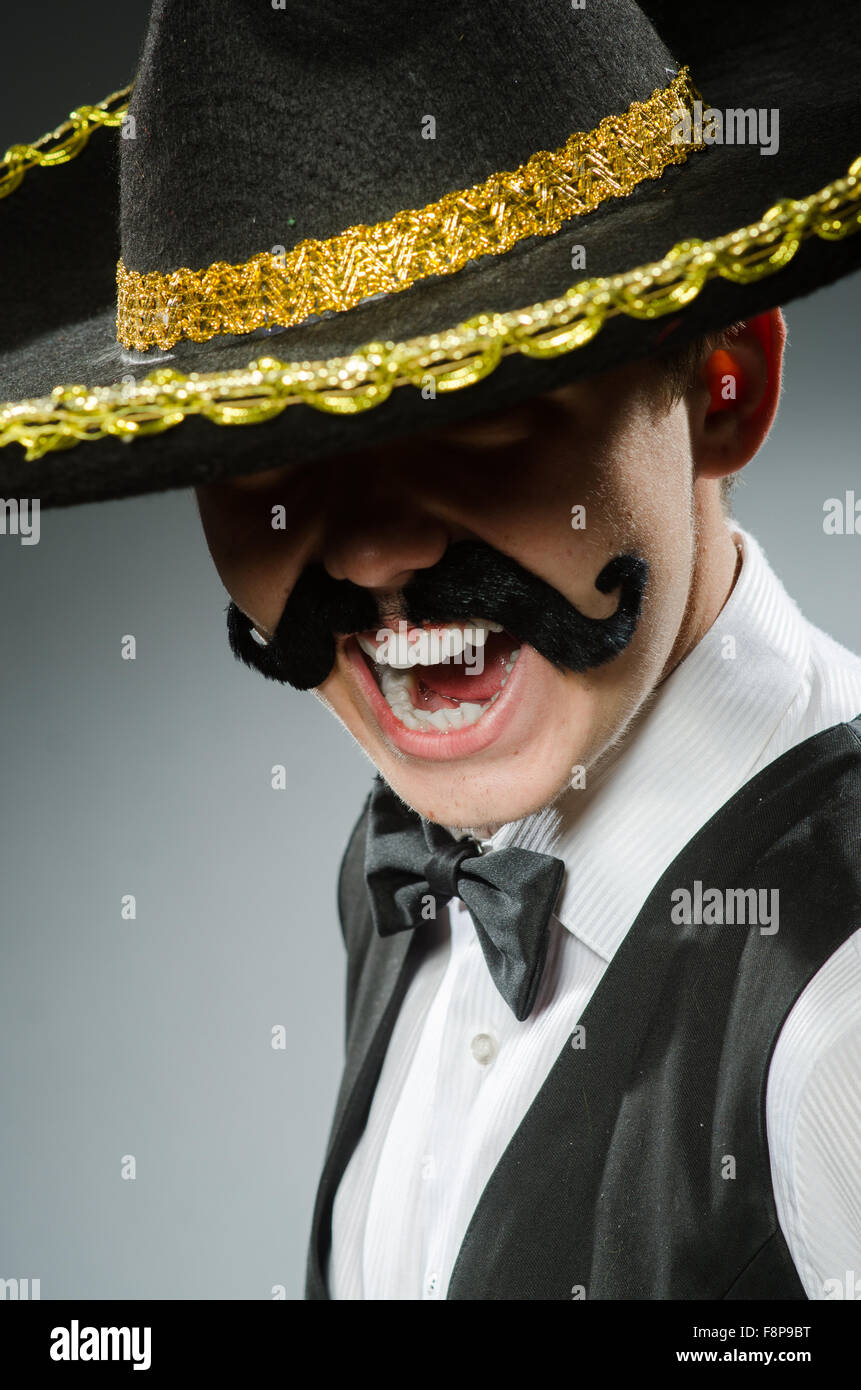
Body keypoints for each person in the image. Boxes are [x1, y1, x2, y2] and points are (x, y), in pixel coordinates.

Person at [2, 0, 860, 1300]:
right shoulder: (408, 864)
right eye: (265, 453)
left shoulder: (837, 1021)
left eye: (486, 414)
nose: (372, 552)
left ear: (722, 385)